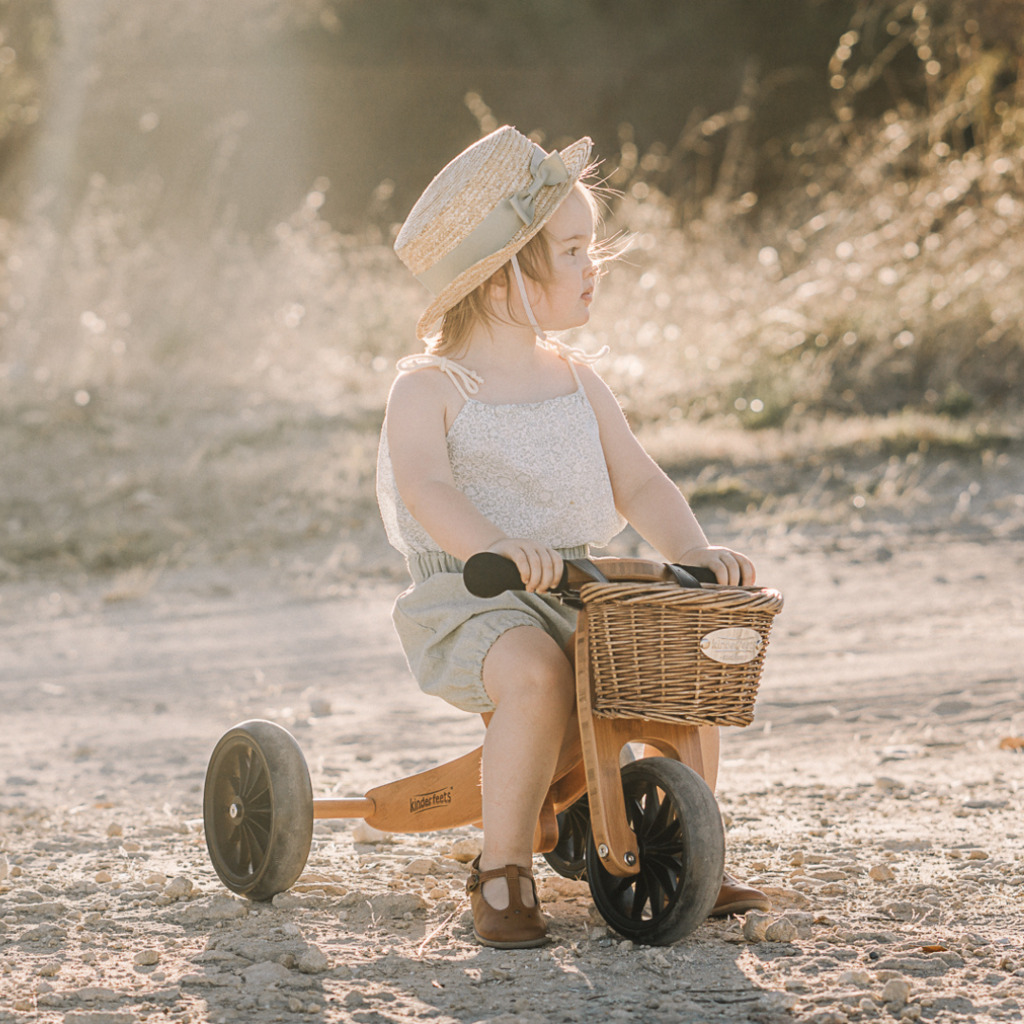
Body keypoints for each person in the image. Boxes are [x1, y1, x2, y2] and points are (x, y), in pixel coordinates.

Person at [376, 126, 769, 949]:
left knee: (680, 671)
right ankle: (502, 867)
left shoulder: (577, 378)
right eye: (572, 250)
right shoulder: (432, 388)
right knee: (534, 673)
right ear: (503, 275)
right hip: (476, 594)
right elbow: (428, 486)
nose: (596, 264)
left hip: (581, 586)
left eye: (593, 246)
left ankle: (690, 845)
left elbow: (640, 481)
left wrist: (694, 555)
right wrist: (496, 546)